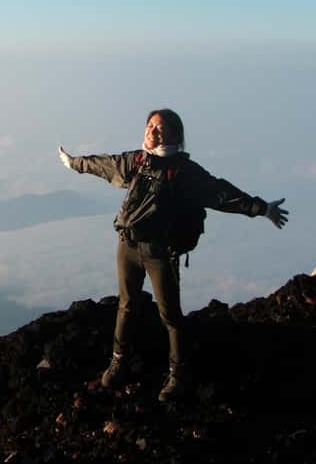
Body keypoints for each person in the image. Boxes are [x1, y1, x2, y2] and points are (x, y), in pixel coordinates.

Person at [58, 108, 288, 402]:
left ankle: (178, 374)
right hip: (127, 247)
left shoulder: (185, 172)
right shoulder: (136, 161)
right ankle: (118, 361)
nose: (153, 131)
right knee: (126, 306)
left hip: (160, 254)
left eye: (160, 127)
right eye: (150, 125)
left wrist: (261, 208)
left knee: (170, 315)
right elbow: (104, 164)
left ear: (175, 135)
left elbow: (220, 193)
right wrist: (74, 163)